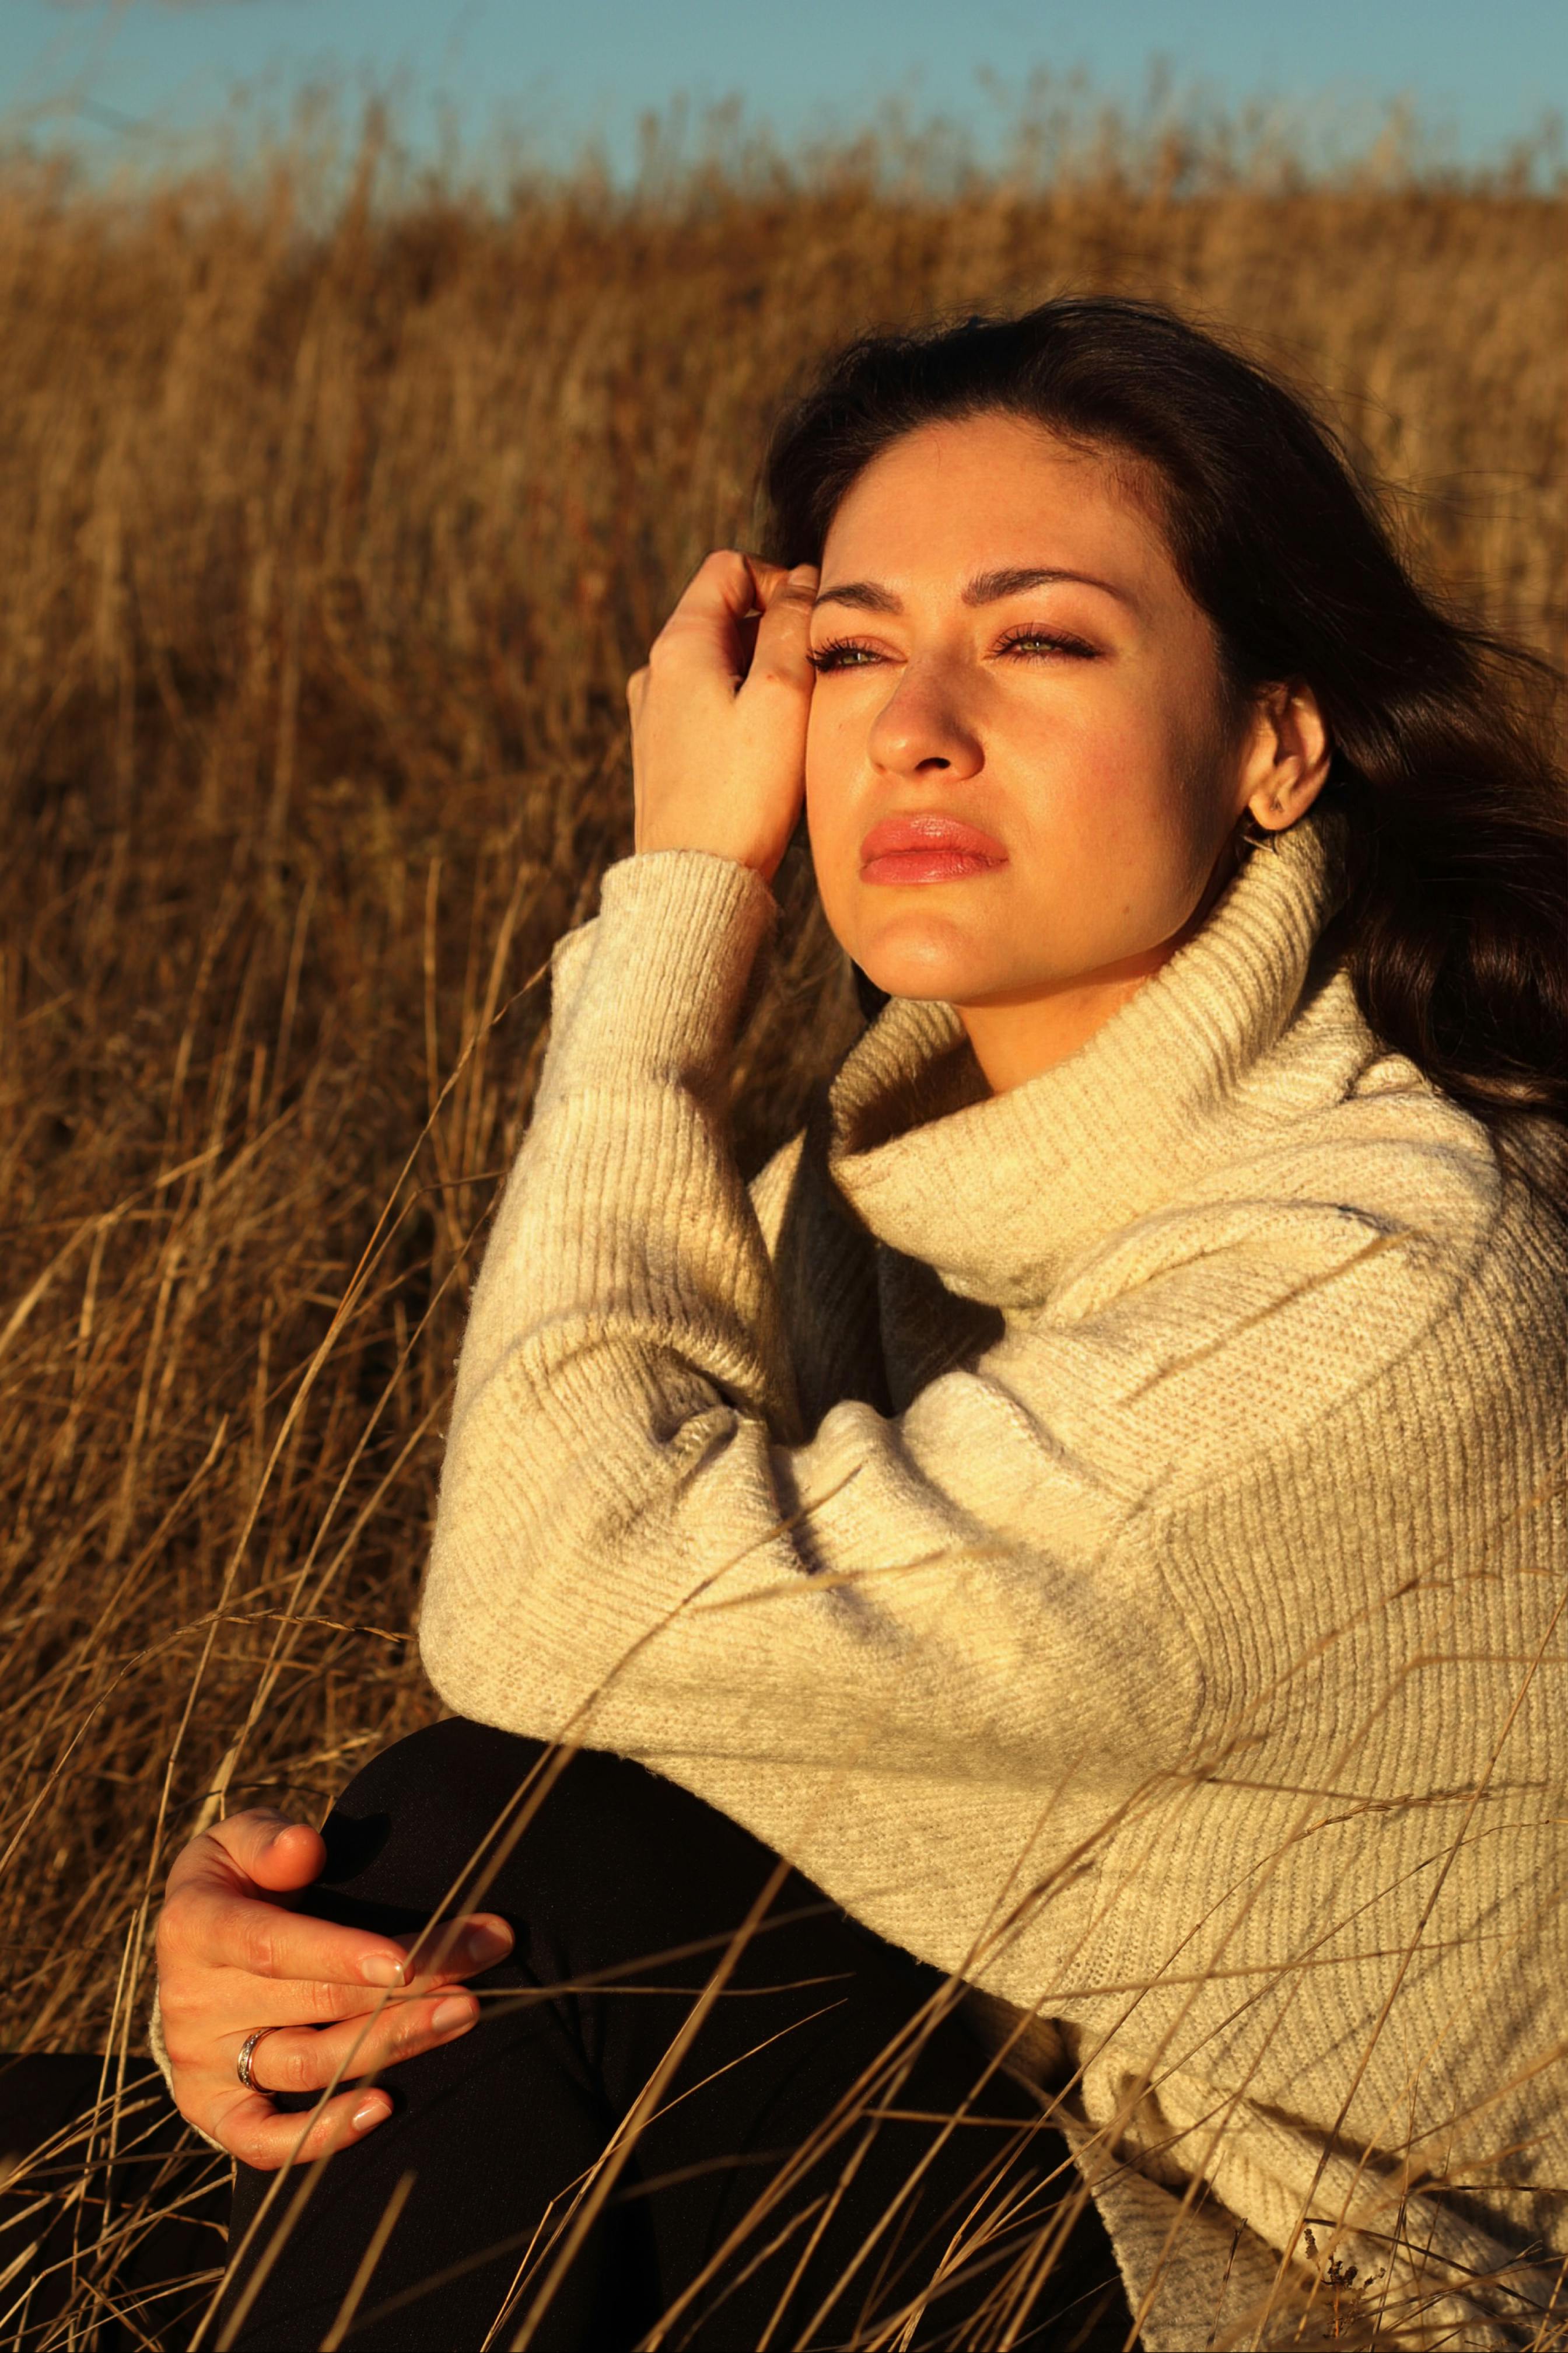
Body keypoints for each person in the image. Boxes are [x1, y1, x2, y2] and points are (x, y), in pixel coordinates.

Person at [150, 299, 1568, 2351]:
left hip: (1317, 2291)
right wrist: (280, 1943)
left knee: (508, 1865)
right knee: (108, 2130)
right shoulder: (897, 1181)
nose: (917, 723)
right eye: (851, 649)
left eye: (1043, 637)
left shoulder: (1382, 1276)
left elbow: (562, 1610)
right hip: (995, 2134)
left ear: (1278, 737)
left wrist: (676, 912)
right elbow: (647, 1710)